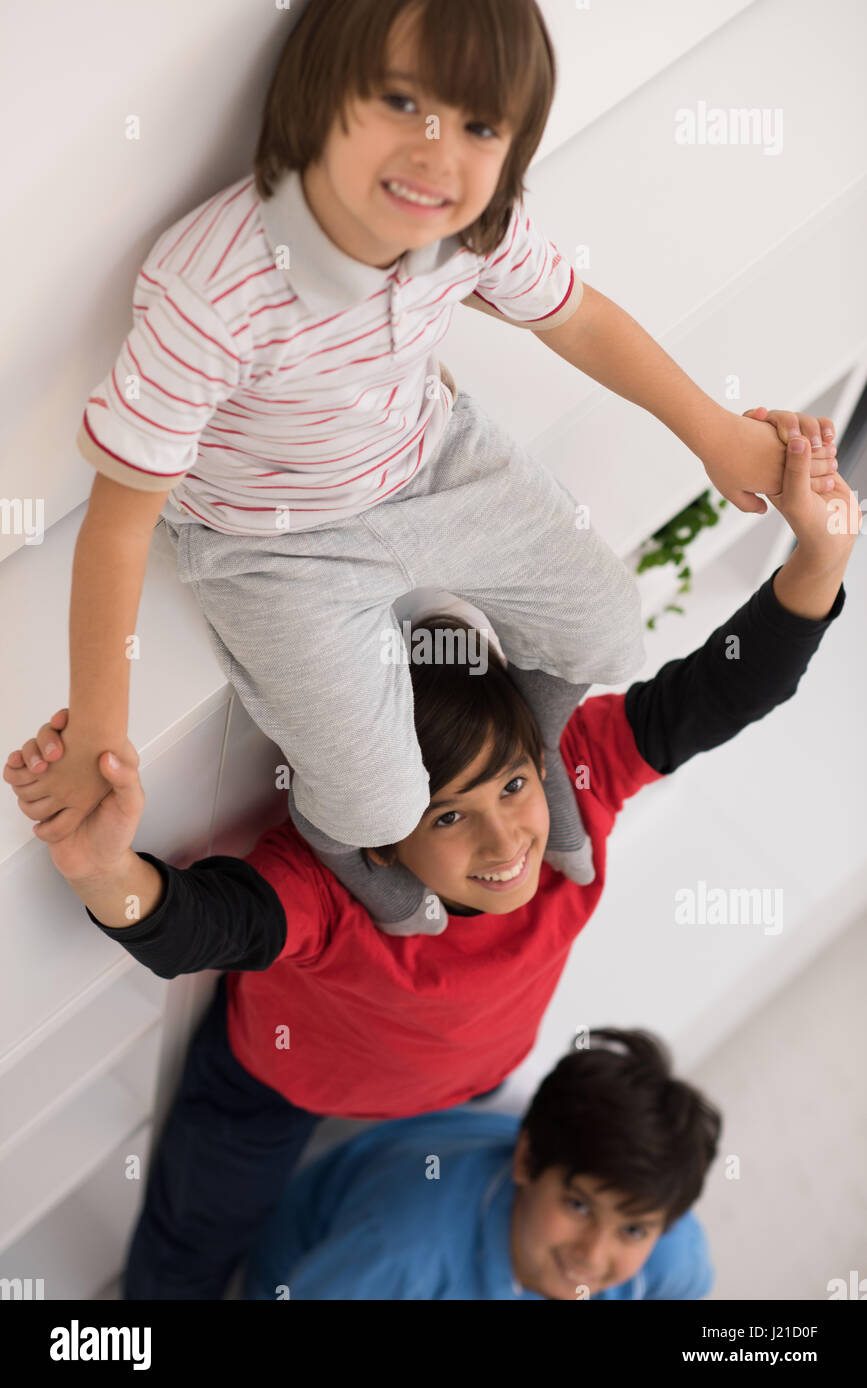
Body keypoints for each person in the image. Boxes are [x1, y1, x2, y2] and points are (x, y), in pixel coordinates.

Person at [16, 0, 839, 935]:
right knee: (376, 809)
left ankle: (537, 750)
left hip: (434, 461)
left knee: (609, 634)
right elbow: (118, 524)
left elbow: (577, 317)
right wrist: (98, 731)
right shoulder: (217, 288)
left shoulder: (473, 222)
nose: (437, 153)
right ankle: (348, 844)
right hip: (273, 542)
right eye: (401, 102)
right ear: (318, 92)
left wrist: (714, 434)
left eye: (480, 126)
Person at [5, 432, 859, 1299]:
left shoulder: (574, 779)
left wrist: (821, 551)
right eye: (447, 814)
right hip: (277, 1081)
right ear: (380, 837)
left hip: (462, 1083)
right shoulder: (333, 885)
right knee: (187, 1250)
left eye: (512, 787)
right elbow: (202, 925)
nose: (505, 841)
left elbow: (720, 691)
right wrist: (98, 866)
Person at [241, 1028, 721, 1301]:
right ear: (526, 1161)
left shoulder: (673, 1259)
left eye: (633, 1230)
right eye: (578, 1206)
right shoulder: (398, 1252)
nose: (592, 1256)